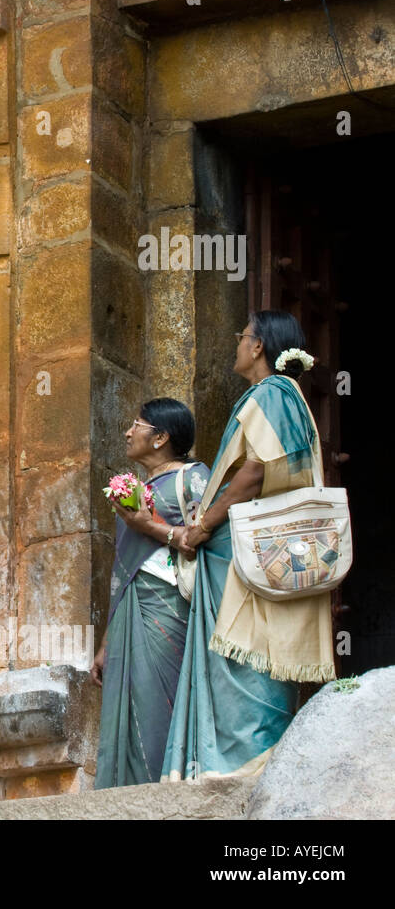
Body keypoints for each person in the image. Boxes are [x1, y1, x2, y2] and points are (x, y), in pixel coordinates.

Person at [163, 310, 334, 781]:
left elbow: (256, 472)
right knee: (254, 657)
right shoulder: (282, 397)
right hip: (252, 553)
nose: (237, 344)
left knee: (246, 661)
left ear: (258, 347)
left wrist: (202, 526)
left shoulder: (272, 395)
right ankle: (246, 766)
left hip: (244, 553)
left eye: (242, 337)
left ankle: (244, 769)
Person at [93, 398, 208, 787]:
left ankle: (168, 784)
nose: (127, 432)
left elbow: (209, 541)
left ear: (160, 437)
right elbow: (123, 573)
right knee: (129, 703)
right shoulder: (138, 489)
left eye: (136, 425)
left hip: (170, 609)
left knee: (160, 700)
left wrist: (151, 525)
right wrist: (107, 642)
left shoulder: (193, 478)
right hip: (132, 608)